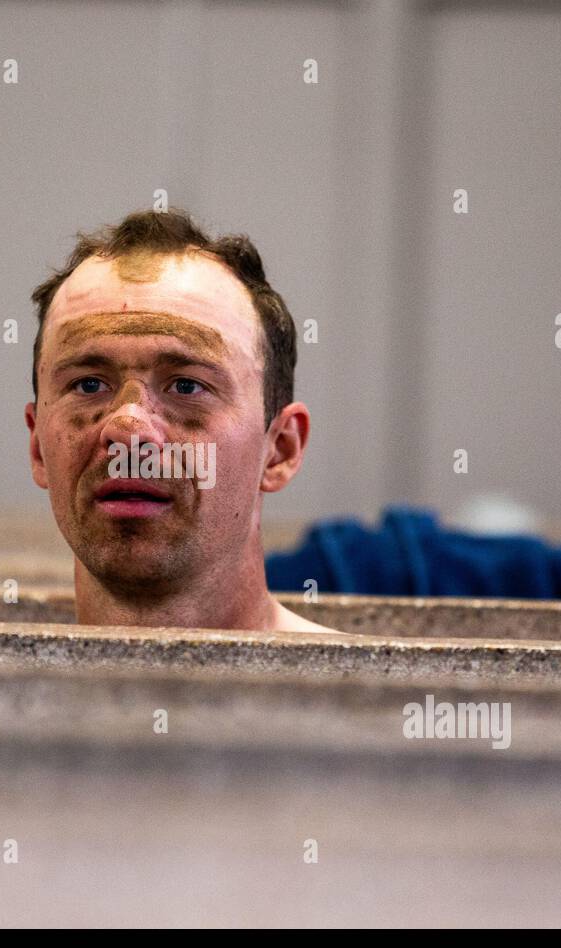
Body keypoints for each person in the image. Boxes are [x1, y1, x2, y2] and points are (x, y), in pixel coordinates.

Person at [24, 208, 339, 633]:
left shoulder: (379, 697)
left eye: (187, 387)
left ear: (280, 449)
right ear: (38, 446)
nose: (129, 430)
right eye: (88, 385)